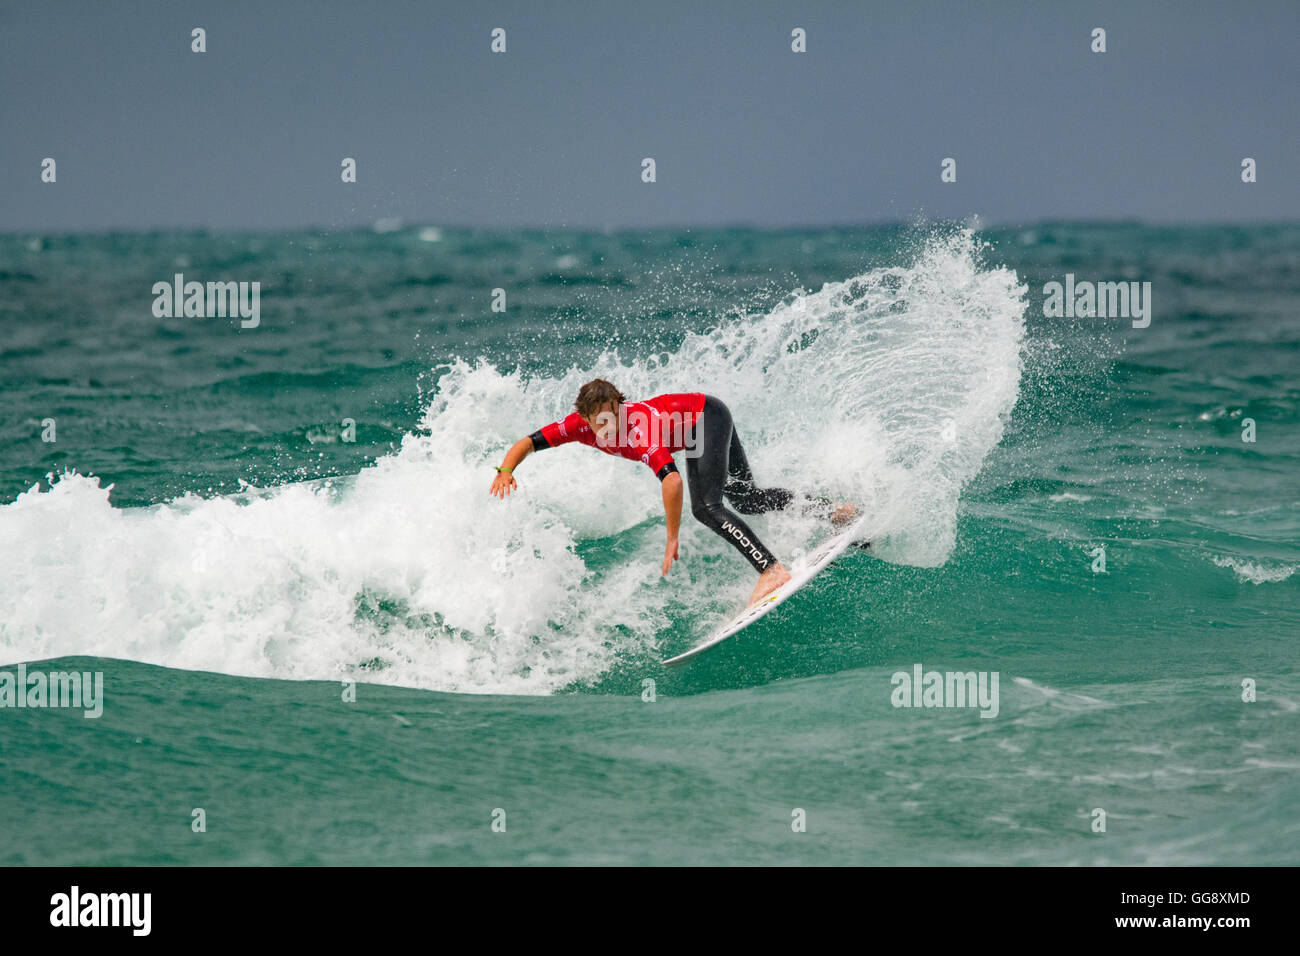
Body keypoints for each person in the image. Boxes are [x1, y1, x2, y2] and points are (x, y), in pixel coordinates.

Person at [489, 378, 856, 607]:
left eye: (612, 416)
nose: (607, 426)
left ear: (620, 407)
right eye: (598, 421)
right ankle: (834, 511)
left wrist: (672, 537)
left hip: (704, 421)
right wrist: (506, 470)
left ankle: (771, 569)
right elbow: (527, 442)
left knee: (707, 507)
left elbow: (673, 480)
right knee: (748, 499)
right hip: (708, 411)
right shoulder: (575, 427)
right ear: (583, 419)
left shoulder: (638, 430)